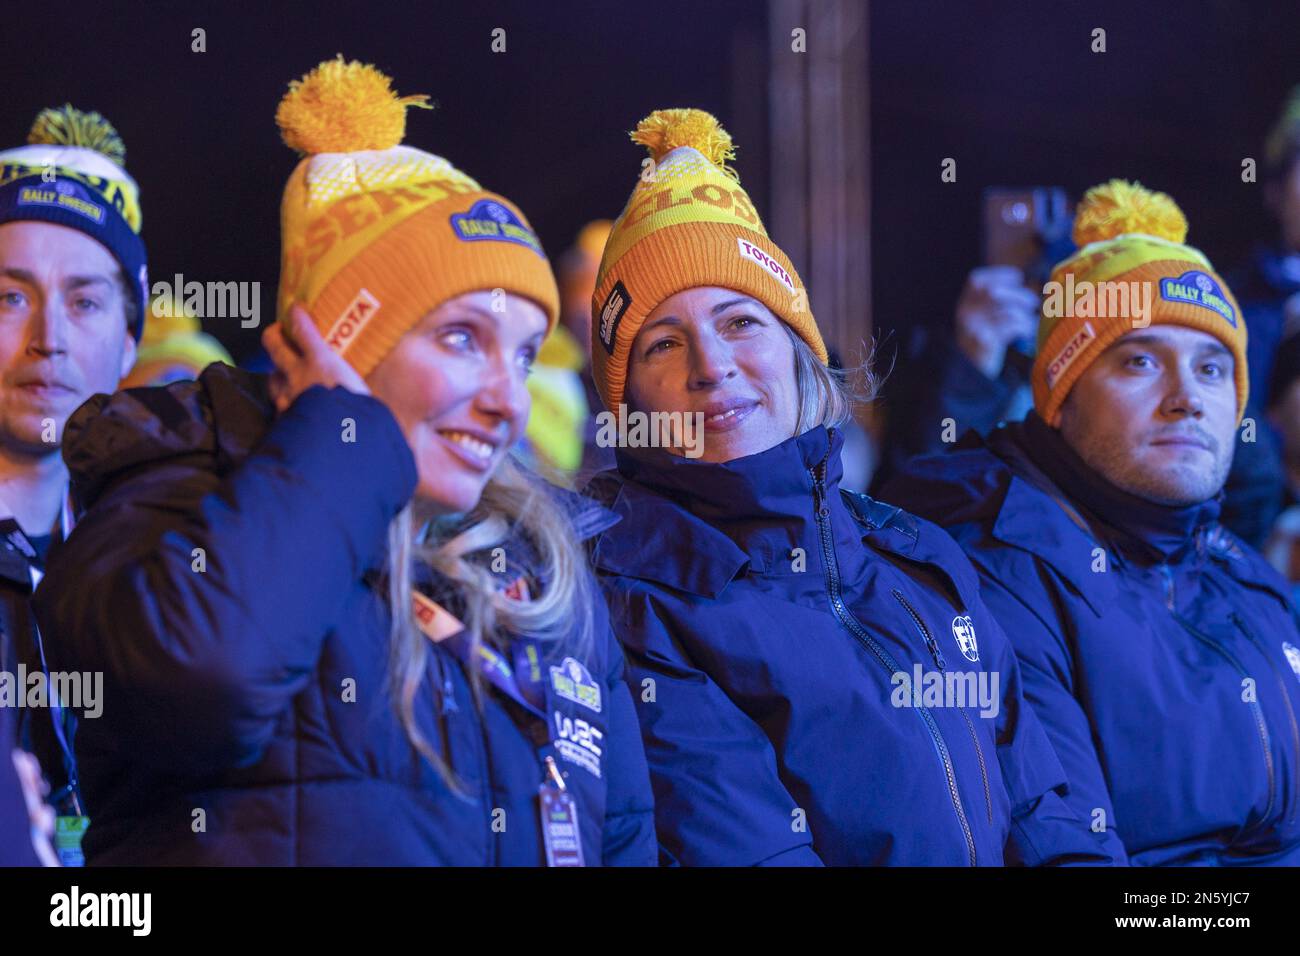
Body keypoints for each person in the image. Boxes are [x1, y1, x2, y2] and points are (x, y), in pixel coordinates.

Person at [33, 57, 655, 866]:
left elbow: (625, 839)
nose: (509, 400)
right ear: (340, 343)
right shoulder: (167, 486)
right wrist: (344, 442)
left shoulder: (546, 568)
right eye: (462, 338)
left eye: (525, 356)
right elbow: (204, 684)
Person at [583, 108, 1121, 866]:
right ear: (628, 402)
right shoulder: (635, 596)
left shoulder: (914, 552)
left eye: (741, 322)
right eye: (664, 343)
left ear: (798, 352)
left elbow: (1041, 798)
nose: (711, 365)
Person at [884, 180, 1300, 866]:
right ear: (1060, 398)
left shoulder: (1239, 573)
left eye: (1212, 367)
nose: (1186, 399)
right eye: (1138, 361)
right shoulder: (989, 575)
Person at [0, 104, 146, 865]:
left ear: (130, 340)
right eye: (10, 297)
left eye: (85, 300)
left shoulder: (165, 566)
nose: (47, 338)